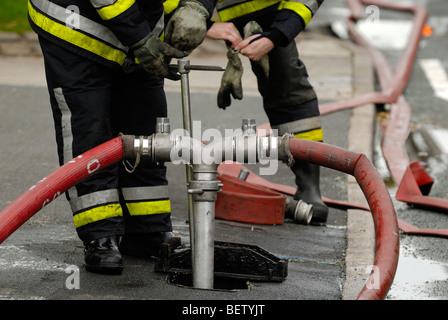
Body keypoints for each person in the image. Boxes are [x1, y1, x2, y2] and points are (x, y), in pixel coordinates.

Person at [27, 0, 215, 275]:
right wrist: (138, 37)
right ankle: (100, 234)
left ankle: (146, 229)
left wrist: (196, 7)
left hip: (141, 25)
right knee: (88, 128)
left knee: (144, 124)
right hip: (75, 23)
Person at [204, 0, 329, 224]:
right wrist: (200, 24)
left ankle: (309, 184)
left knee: (288, 86)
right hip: (208, 9)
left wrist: (277, 35)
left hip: (275, 9)